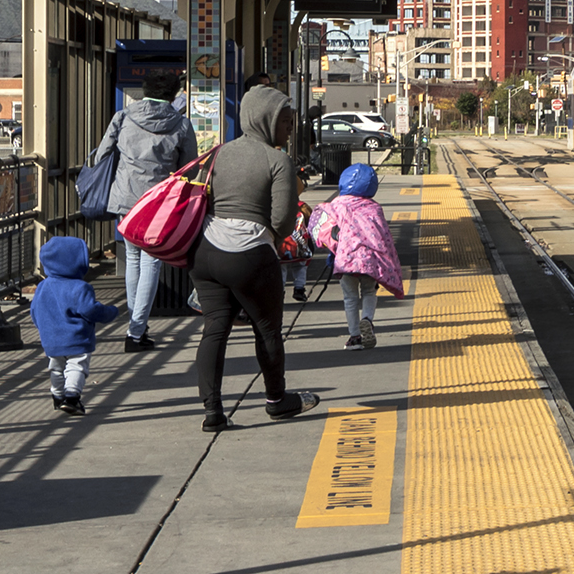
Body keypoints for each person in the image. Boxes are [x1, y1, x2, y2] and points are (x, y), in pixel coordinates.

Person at [191, 85, 315, 429]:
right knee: (267, 330)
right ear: (265, 120)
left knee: (214, 330)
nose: (290, 128)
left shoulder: (216, 154)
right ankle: (277, 401)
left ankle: (212, 412)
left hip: (205, 253)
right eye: (284, 121)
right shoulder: (277, 160)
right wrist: (267, 237)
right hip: (250, 254)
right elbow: (283, 221)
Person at [96, 76, 200, 351]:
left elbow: (101, 155)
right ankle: (135, 331)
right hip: (158, 204)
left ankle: (137, 326)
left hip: (126, 200)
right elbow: (190, 169)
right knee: (151, 262)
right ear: (174, 95)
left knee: (132, 258)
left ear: (145, 92)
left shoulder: (123, 117)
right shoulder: (181, 123)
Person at [303, 163, 404, 350]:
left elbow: (323, 228)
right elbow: (384, 238)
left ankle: (355, 336)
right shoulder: (374, 208)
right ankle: (367, 319)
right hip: (370, 261)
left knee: (350, 298)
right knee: (369, 291)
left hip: (346, 259)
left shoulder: (337, 205)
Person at [30, 233, 103, 415]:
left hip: (51, 337)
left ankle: (57, 395)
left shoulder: (43, 286)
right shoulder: (81, 287)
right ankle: (72, 396)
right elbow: (89, 310)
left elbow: (34, 310)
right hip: (77, 336)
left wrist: (43, 327)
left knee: (56, 367)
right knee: (77, 364)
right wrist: (109, 312)